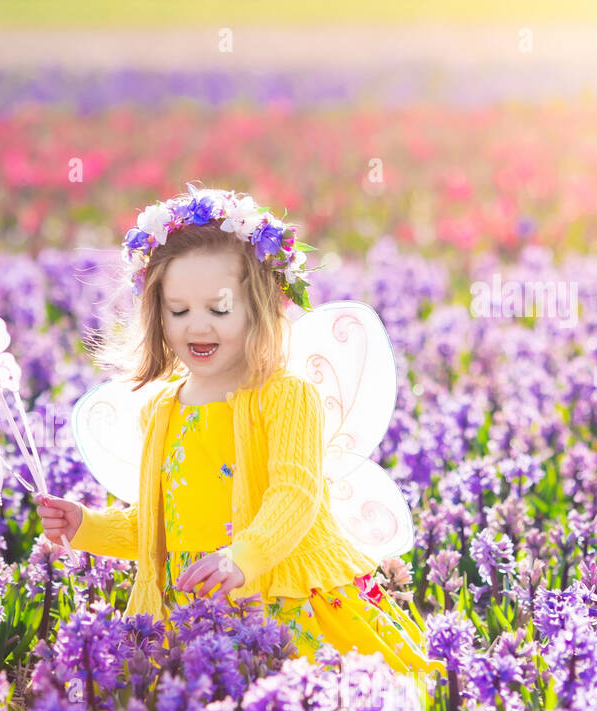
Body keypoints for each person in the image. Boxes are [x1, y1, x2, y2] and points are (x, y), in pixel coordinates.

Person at [36, 184, 445, 679]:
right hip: (194, 606)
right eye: (178, 310)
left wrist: (242, 557)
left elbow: (295, 494)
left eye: (219, 309)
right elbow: (160, 525)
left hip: (279, 592)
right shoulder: (162, 409)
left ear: (261, 305)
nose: (197, 327)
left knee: (321, 700)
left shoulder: (284, 394)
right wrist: (87, 527)